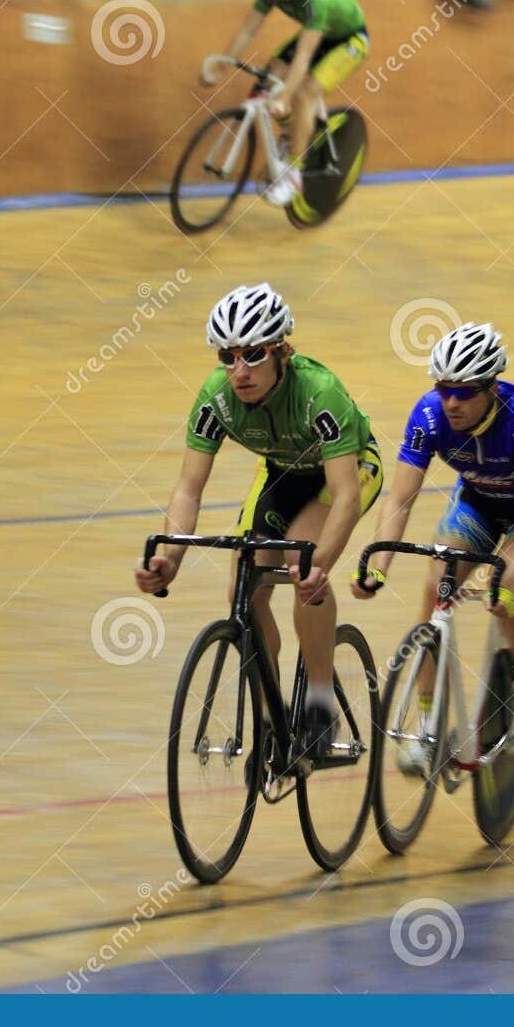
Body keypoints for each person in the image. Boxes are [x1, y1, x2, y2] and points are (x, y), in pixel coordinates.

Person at [135, 284, 383, 756]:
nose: (239, 371)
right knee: (242, 593)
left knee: (299, 557)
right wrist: (170, 559)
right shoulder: (216, 398)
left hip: (346, 472)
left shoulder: (319, 392)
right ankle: (272, 714)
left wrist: (321, 564)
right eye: (228, 357)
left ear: (282, 351)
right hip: (280, 474)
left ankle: (318, 699)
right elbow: (189, 488)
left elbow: (347, 497)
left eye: (253, 354)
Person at [351, 322, 514, 771]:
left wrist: (511, 581)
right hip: (478, 501)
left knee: (504, 596)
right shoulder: (429, 415)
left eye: (464, 392)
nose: (451, 402)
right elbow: (400, 497)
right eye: (444, 389)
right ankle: (428, 726)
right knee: (436, 585)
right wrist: (379, 563)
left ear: (491, 388)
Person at [201, 0, 370, 207]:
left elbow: (304, 55)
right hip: (319, 32)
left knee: (304, 93)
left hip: (349, 40)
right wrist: (222, 65)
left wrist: (284, 97)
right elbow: (248, 30)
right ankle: (292, 133)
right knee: (270, 77)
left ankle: (293, 175)